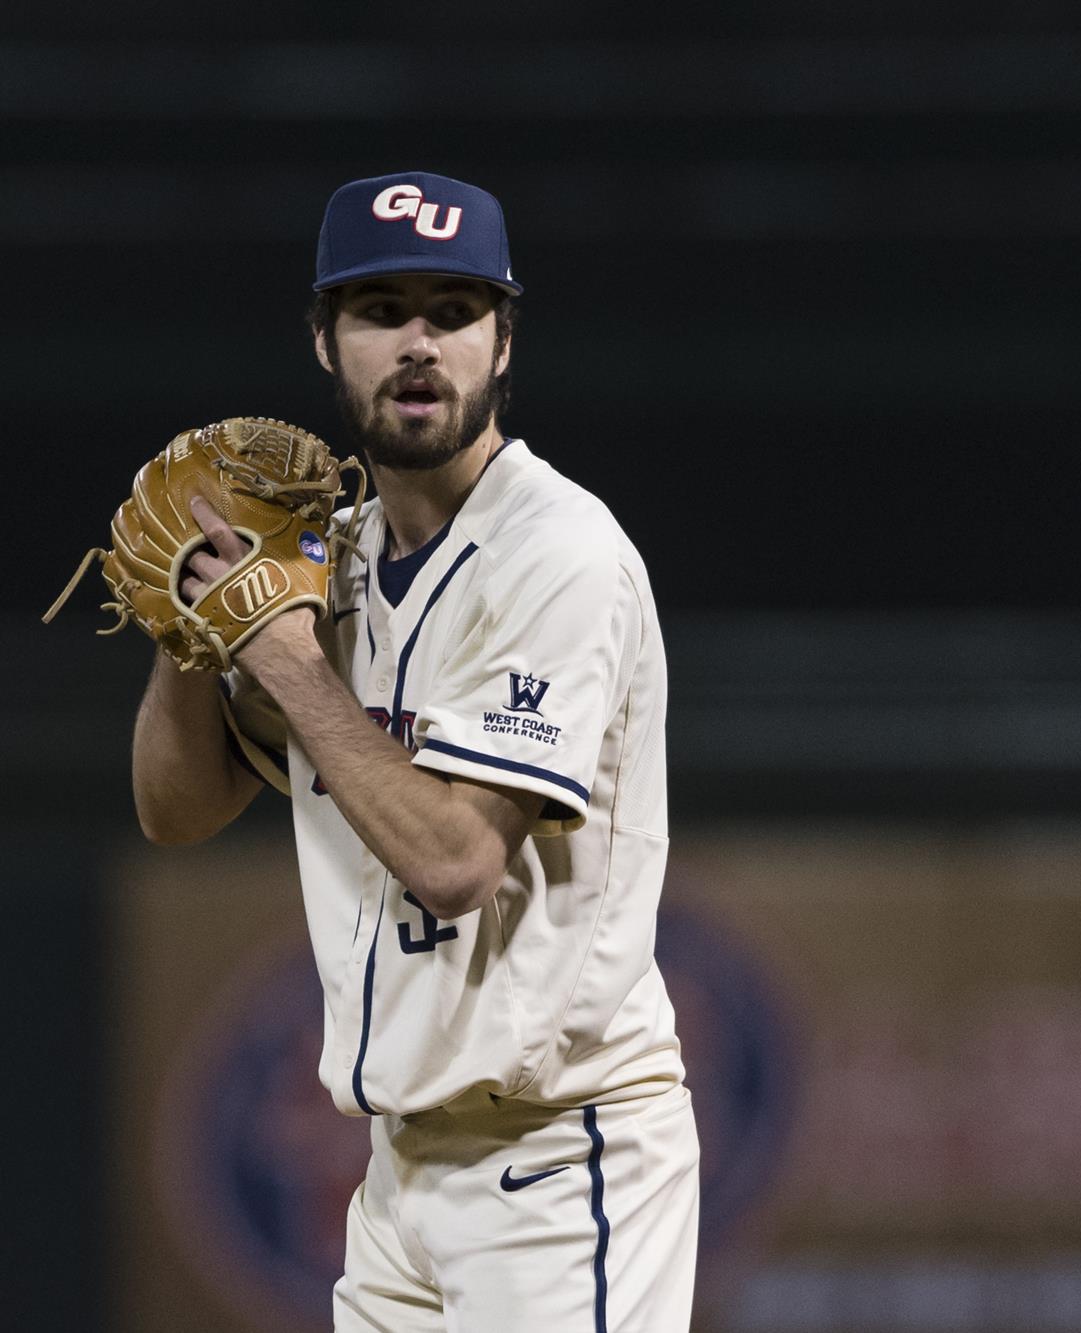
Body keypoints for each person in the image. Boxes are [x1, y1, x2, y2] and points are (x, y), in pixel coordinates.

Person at [131, 170, 698, 1331]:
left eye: (452, 308)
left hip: (560, 1157)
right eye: (380, 308)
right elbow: (174, 811)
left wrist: (282, 657)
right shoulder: (323, 563)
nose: (418, 341)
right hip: (397, 1169)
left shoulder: (559, 553)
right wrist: (190, 630)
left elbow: (452, 860)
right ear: (325, 340)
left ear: (503, 340)